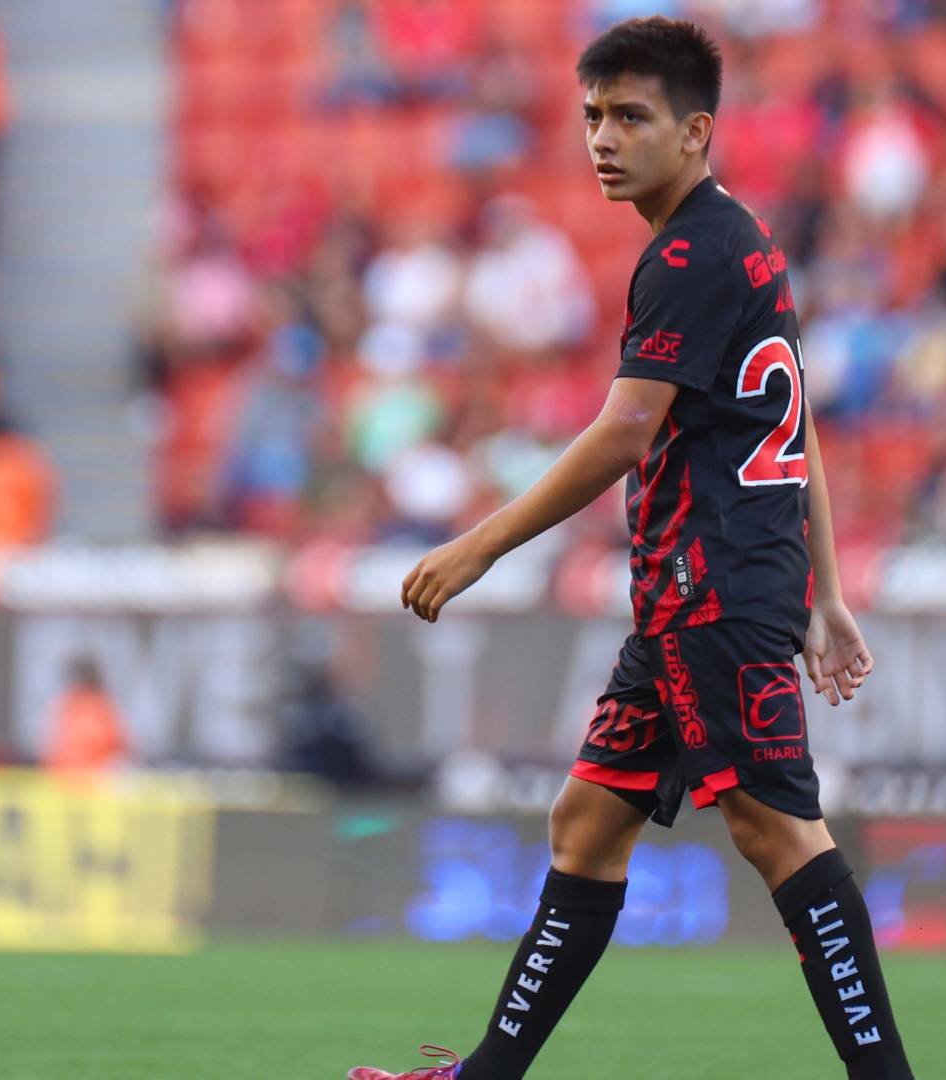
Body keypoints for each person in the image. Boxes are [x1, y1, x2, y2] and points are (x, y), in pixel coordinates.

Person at [352, 17, 914, 1080]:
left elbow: (624, 428)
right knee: (586, 825)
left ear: (696, 130)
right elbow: (790, 430)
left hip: (716, 591)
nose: (603, 139)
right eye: (592, 117)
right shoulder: (734, 240)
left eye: (631, 117)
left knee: (779, 833)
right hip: (690, 597)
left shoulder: (693, 256)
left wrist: (481, 546)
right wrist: (827, 592)